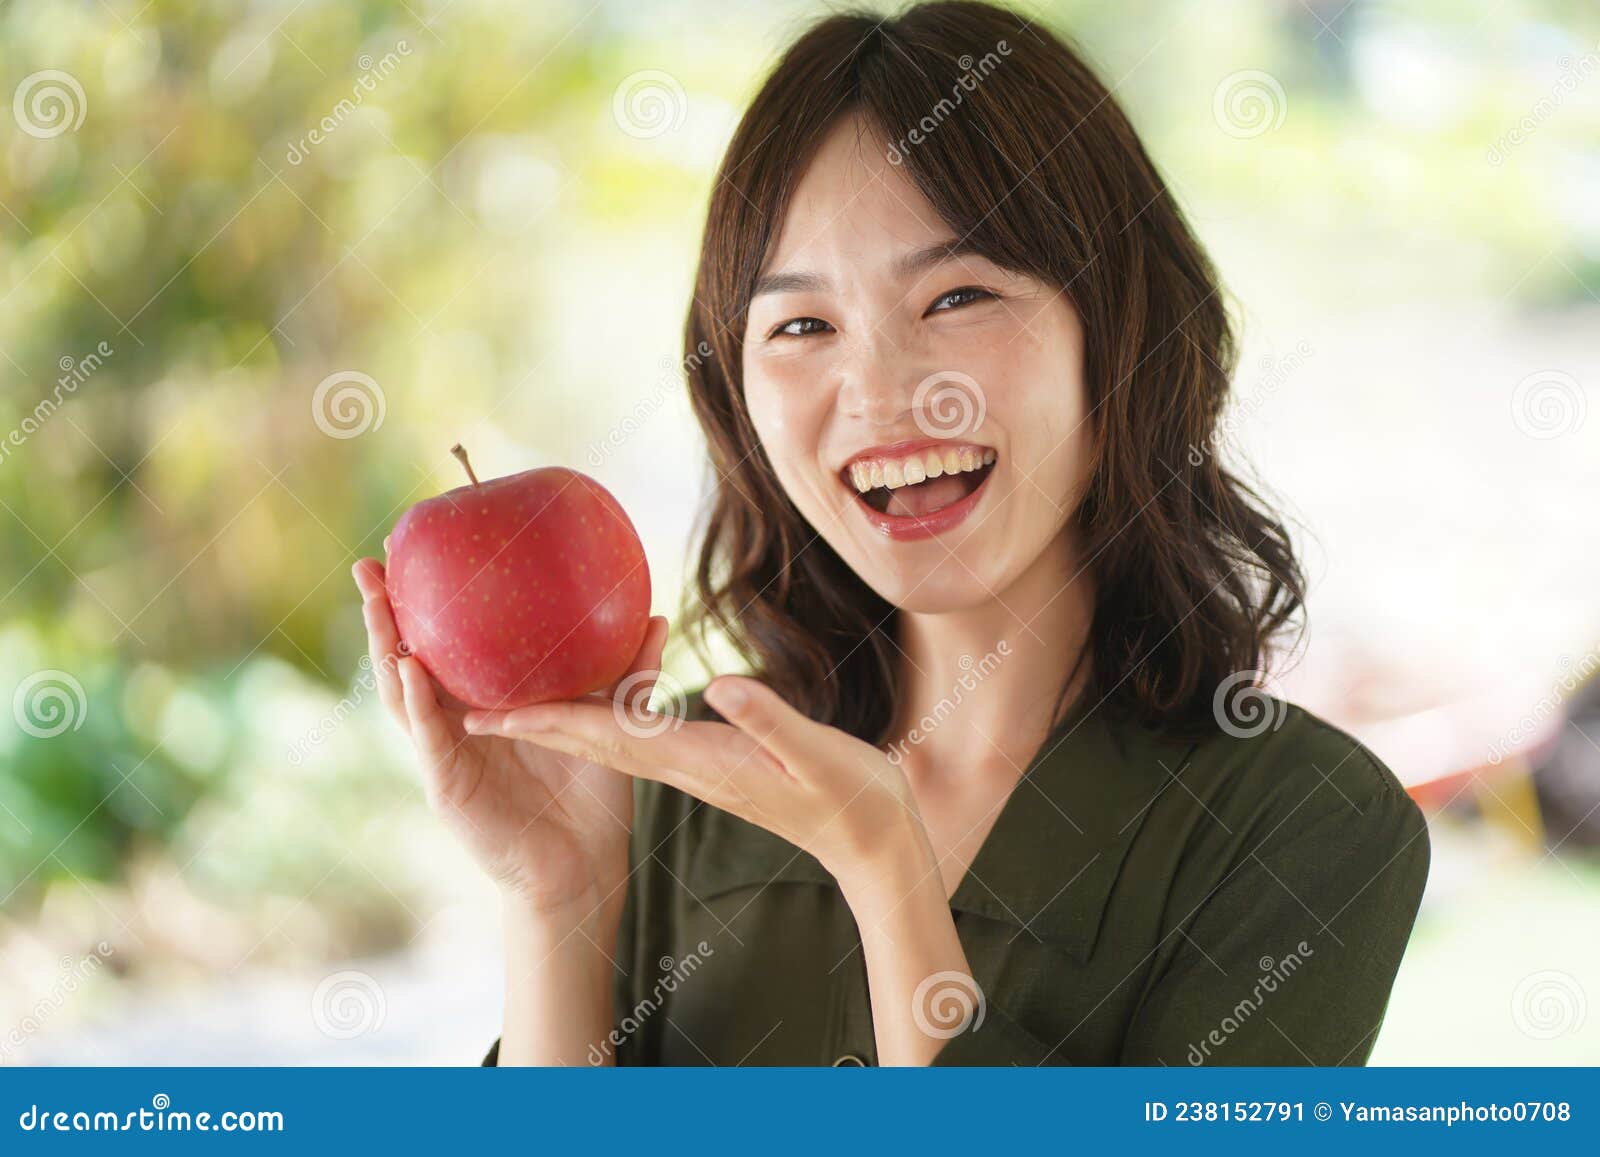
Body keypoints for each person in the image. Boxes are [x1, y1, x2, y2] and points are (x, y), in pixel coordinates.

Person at [352, 0, 1428, 1066]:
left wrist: (886, 869)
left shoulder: (1305, 830)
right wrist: (562, 899)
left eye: (957, 295)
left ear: (1119, 333)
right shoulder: (668, 787)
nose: (876, 391)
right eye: (802, 325)